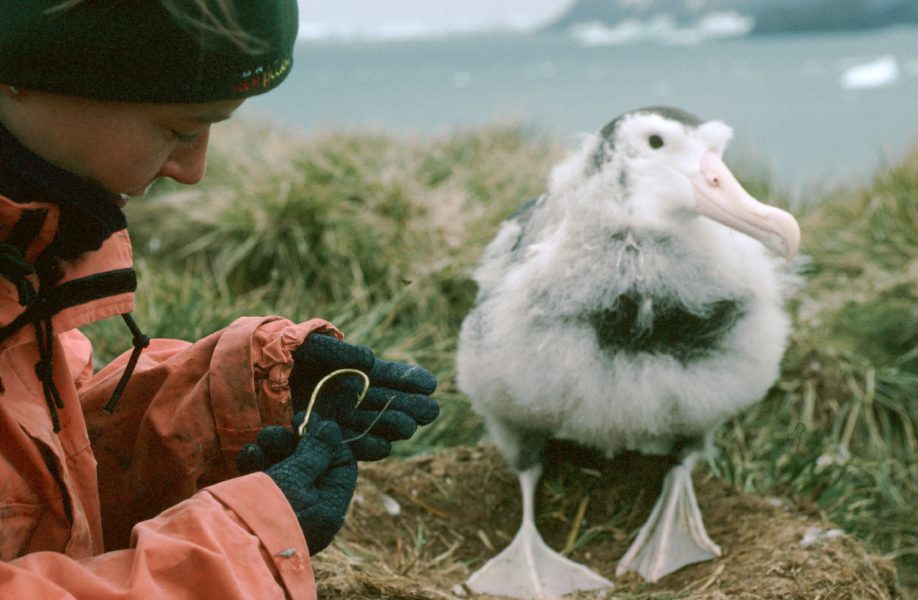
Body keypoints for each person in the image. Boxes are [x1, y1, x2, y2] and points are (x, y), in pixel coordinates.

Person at [0, 1, 439, 598]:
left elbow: (36, 476)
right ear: (25, 69)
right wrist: (236, 550)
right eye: (180, 129)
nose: (193, 169)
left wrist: (240, 399)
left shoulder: (26, 253)